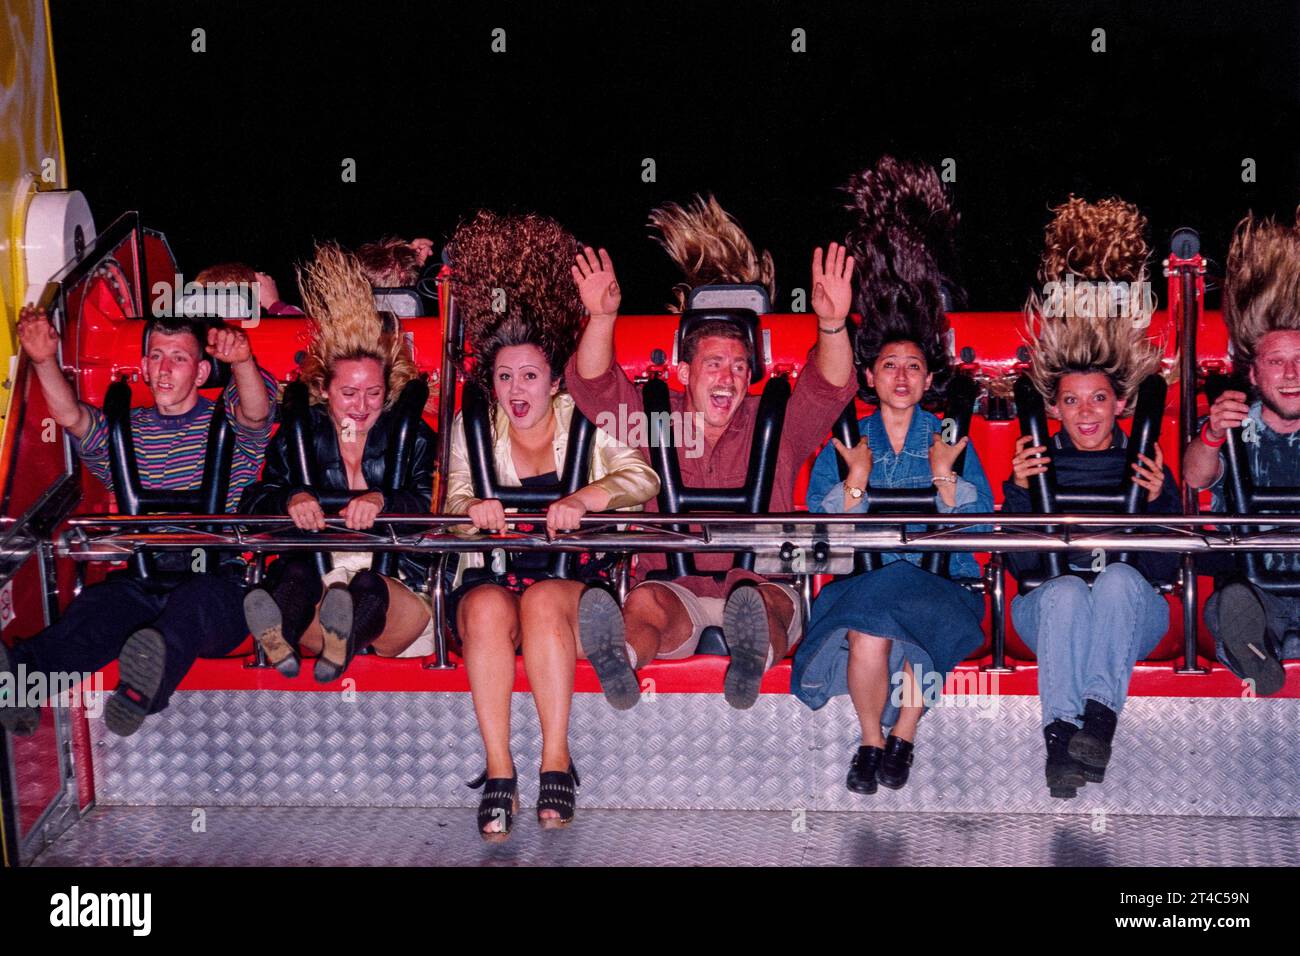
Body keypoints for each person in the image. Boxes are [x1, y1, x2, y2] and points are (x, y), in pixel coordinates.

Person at [568, 196, 857, 711]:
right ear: (685, 374)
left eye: (741, 366)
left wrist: (832, 323)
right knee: (645, 606)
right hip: (673, 583)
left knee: (758, 602)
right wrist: (600, 316)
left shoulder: (777, 425)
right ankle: (622, 659)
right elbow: (592, 384)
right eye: (715, 364)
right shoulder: (657, 420)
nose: (729, 376)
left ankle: (751, 659)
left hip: (758, 581)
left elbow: (830, 386)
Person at [443, 210, 659, 841]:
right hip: (493, 578)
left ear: (555, 380)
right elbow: (452, 506)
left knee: (539, 602)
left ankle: (556, 757)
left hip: (566, 583)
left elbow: (642, 479)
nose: (517, 389)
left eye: (530, 375)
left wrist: (589, 497)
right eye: (505, 376)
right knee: (484, 609)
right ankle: (500, 770)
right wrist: (470, 511)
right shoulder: (472, 430)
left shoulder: (585, 423)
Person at [792, 157, 993, 795]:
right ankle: (876, 740)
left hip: (943, 588)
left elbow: (983, 524)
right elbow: (825, 522)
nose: (901, 376)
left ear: (929, 380)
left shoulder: (951, 439)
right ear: (870, 377)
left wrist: (945, 481)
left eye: (913, 366)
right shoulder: (848, 437)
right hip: (868, 587)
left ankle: (903, 729)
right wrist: (854, 484)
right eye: (887, 365)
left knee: (907, 626)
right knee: (872, 623)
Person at [0, 304, 277, 737]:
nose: (164, 370)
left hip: (218, 582)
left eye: (179, 358)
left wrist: (242, 359)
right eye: (156, 357)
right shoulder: (127, 431)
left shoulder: (227, 425)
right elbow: (72, 417)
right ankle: (23, 681)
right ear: (143, 366)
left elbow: (256, 413)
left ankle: (140, 689)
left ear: (201, 372)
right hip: (144, 577)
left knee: (192, 608)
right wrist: (42, 360)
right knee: (102, 611)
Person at [1003, 196, 1176, 798]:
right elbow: (1022, 567)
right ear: (1053, 407)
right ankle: (1060, 741)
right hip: (1051, 610)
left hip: (1132, 613)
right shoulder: (1036, 462)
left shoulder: (1145, 466)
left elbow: (1160, 571)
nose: (1085, 413)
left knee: (1120, 583)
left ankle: (1093, 728)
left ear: (1120, 404)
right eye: (1071, 400)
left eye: (1097, 399)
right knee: (1070, 589)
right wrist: (1022, 493)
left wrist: (1159, 504)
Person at [239, 244, 435, 683]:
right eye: (349, 393)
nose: (362, 406)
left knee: (365, 590)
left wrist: (384, 501)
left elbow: (438, 508)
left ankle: (338, 641)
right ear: (324, 389)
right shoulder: (301, 434)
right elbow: (253, 504)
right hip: (319, 581)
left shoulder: (413, 434)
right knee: (293, 578)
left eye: (373, 393)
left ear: (389, 389)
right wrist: (291, 498)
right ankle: (282, 637)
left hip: (399, 589)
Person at [1184, 212, 1300, 697]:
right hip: (1258, 589)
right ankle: (1256, 654)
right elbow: (1193, 479)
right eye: (1276, 363)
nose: (1291, 375)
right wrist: (1212, 433)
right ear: (1254, 375)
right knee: (1228, 606)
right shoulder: (1237, 423)